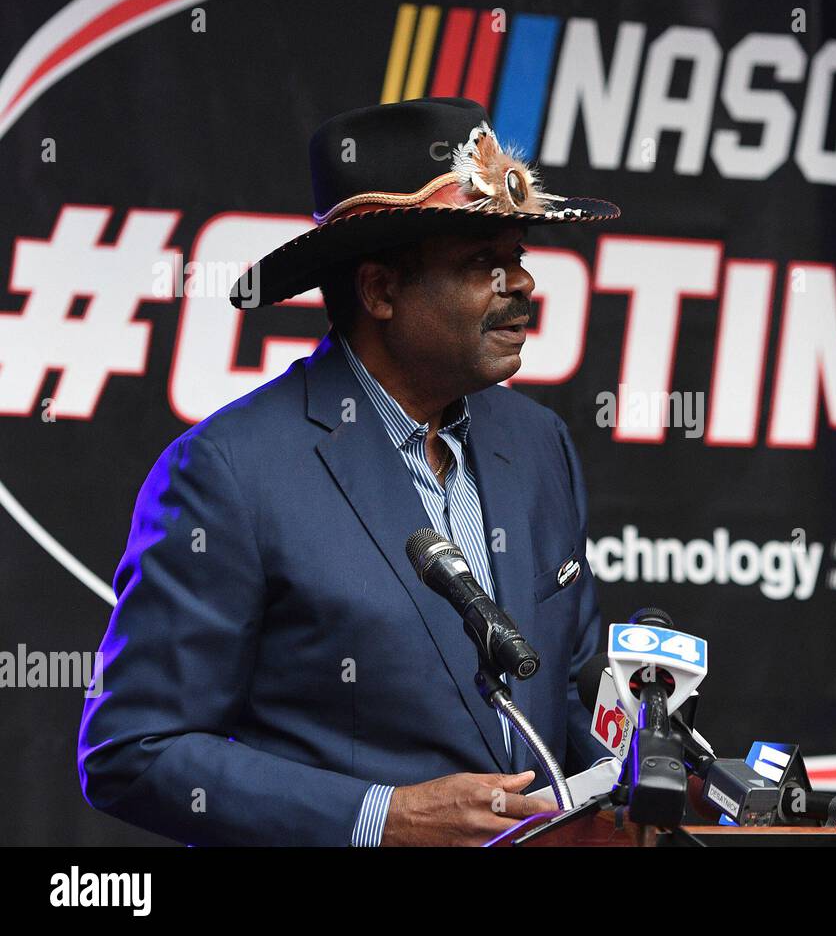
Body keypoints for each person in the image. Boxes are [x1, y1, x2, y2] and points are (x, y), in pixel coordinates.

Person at [77, 97, 620, 846]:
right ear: (380, 291)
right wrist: (383, 818)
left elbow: (562, 690)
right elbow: (132, 751)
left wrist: (659, 778)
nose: (520, 284)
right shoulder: (230, 471)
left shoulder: (537, 443)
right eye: (480, 265)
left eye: (517, 257)